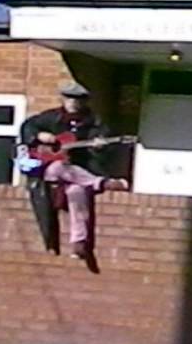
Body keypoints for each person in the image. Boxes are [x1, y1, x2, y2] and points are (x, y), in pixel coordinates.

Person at [19, 81, 127, 259]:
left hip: (80, 171)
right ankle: (102, 183)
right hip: (49, 170)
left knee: (77, 192)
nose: (73, 102)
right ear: (63, 99)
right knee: (58, 167)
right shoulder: (51, 117)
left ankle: (79, 243)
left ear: (85, 102)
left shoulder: (95, 123)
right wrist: (39, 136)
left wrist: (98, 147)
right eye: (70, 98)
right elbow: (27, 127)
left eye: (78, 99)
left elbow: (104, 153)